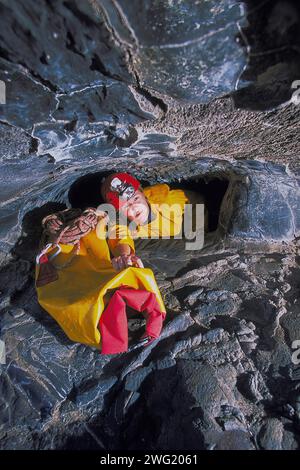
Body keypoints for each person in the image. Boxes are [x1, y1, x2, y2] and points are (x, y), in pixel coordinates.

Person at [35, 207, 166, 355]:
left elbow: (119, 230)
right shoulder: (100, 218)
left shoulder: (102, 218)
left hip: (91, 274)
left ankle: (116, 338)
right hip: (80, 269)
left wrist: (124, 256)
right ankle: (121, 336)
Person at [100, 172, 206, 270]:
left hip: (183, 227)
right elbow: (119, 235)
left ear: (144, 195)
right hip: (159, 243)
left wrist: (196, 236)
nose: (134, 207)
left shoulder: (168, 201)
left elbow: (196, 202)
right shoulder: (121, 221)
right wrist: (123, 255)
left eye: (136, 198)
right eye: (126, 206)